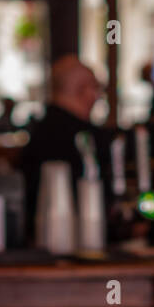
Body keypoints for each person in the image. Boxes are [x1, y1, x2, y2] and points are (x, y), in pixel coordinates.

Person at [21, 56, 111, 232]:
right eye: (96, 88)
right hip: (85, 233)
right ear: (82, 89)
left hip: (40, 234)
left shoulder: (39, 132)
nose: (98, 96)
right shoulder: (87, 137)